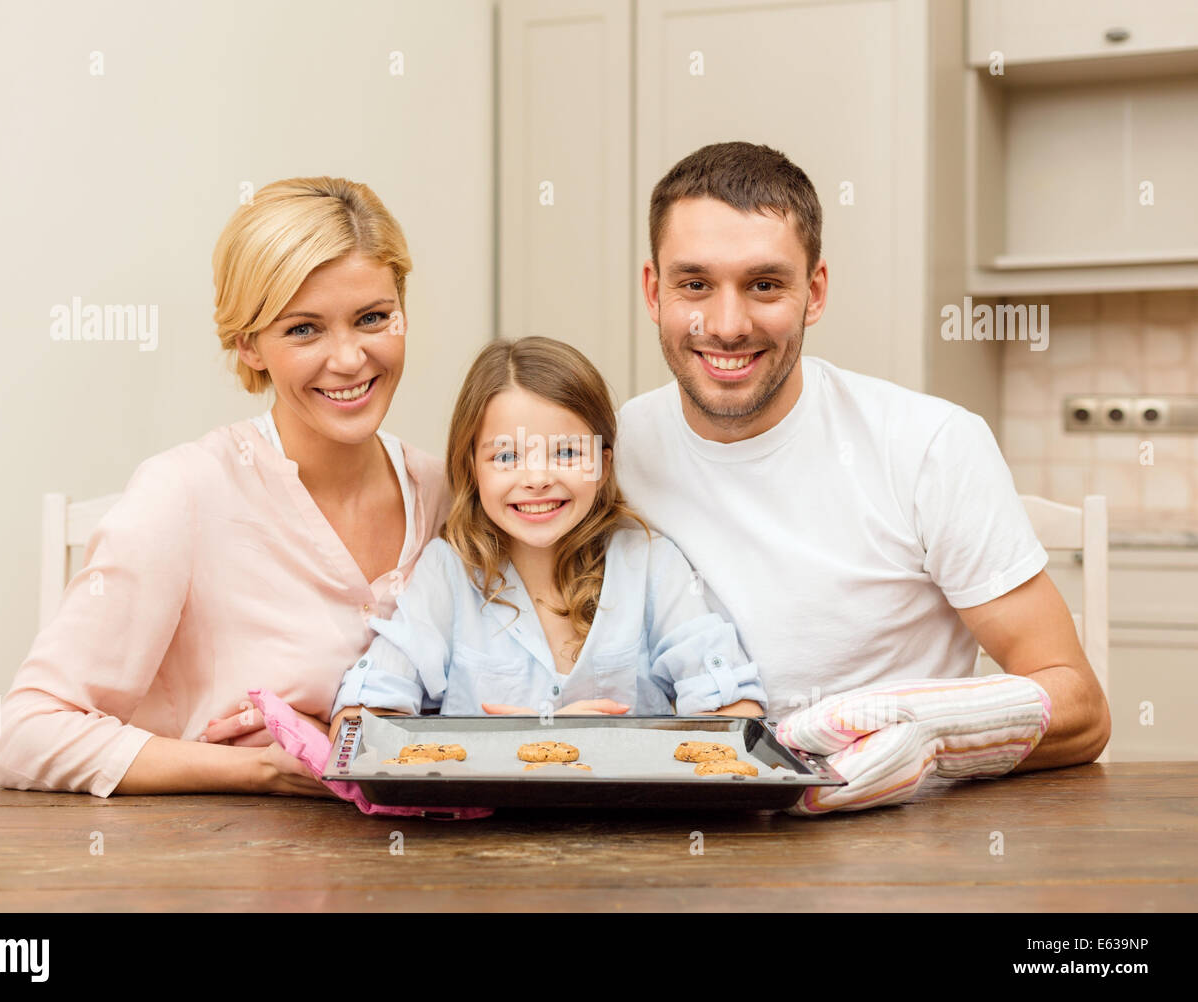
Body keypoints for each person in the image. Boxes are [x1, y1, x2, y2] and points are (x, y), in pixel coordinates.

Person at [614, 141, 1112, 814]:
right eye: (695, 284)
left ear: (813, 292)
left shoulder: (929, 445)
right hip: (676, 840)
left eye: (764, 284)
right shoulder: (610, 453)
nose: (727, 325)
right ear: (654, 291)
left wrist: (923, 735)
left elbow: (1079, 706)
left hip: (893, 847)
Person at [0, 176, 450, 800]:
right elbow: (24, 736)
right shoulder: (184, 493)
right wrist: (261, 769)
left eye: (372, 318)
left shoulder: (449, 494)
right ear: (248, 344)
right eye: (303, 330)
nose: (348, 359)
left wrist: (335, 736)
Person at [323, 336, 767, 733]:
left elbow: (739, 712)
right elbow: (357, 721)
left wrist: (617, 742)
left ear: (603, 465)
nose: (536, 478)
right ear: (471, 469)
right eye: (507, 456)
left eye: (568, 452)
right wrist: (515, 741)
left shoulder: (649, 561)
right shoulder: (448, 571)